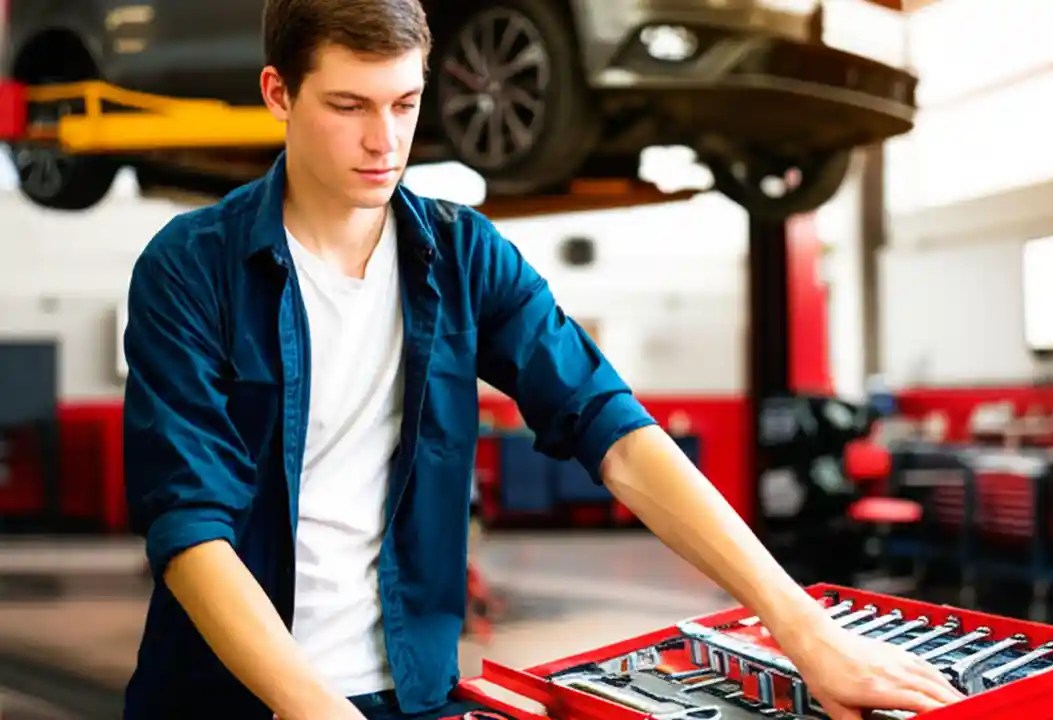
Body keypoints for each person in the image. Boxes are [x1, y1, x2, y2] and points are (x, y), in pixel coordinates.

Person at [120, 1, 964, 719]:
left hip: (410, 693)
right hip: (227, 695)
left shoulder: (462, 257)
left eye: (406, 103)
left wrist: (803, 629)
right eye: (349, 105)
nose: (385, 141)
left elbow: (614, 429)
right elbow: (193, 528)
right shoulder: (191, 270)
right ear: (279, 92)